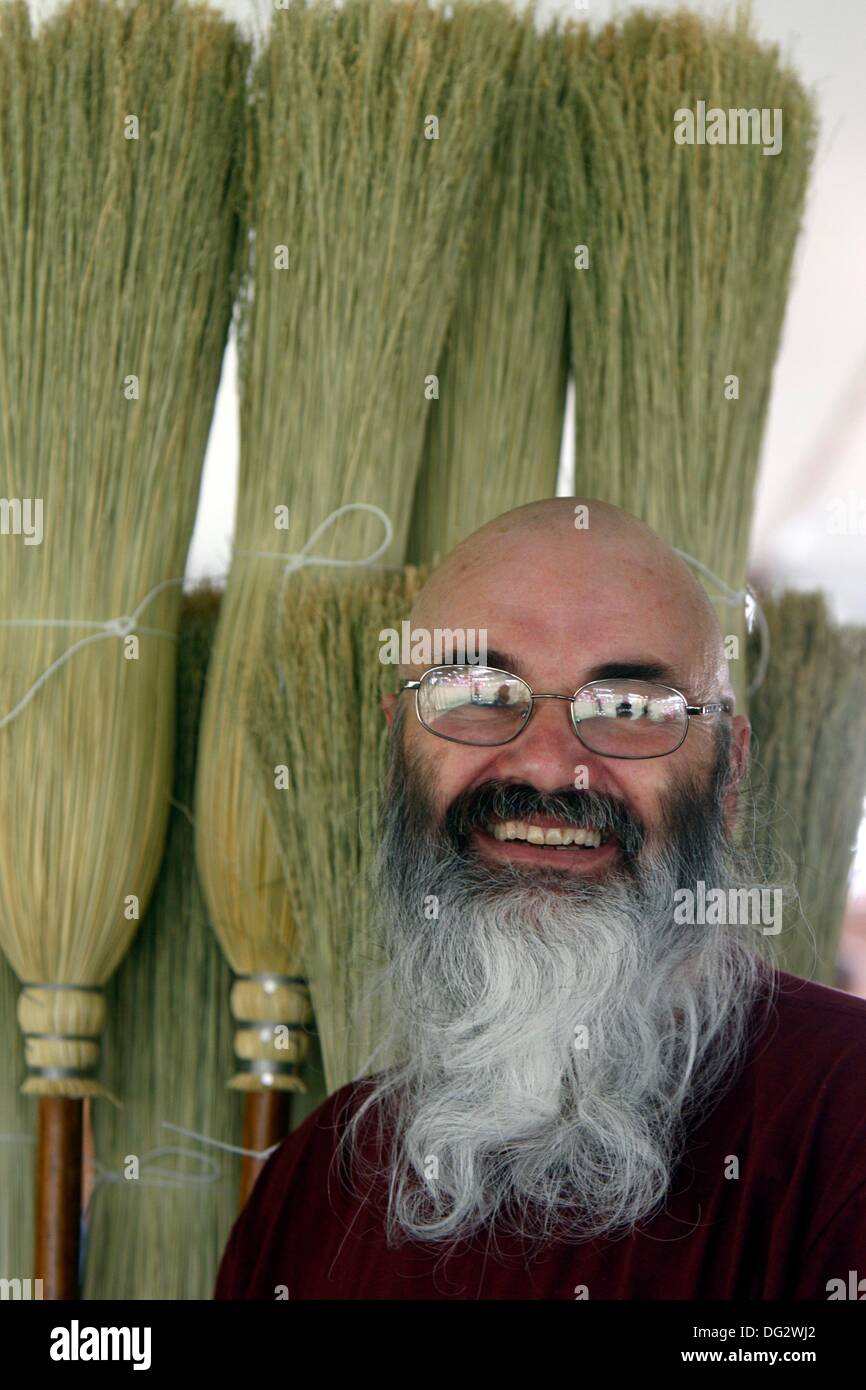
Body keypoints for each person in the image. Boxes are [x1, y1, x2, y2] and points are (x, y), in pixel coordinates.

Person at [215, 498, 866, 1300]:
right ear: (397, 753)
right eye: (480, 695)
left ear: (726, 774)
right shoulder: (312, 1184)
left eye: (628, 708)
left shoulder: (846, 1123)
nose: (553, 766)